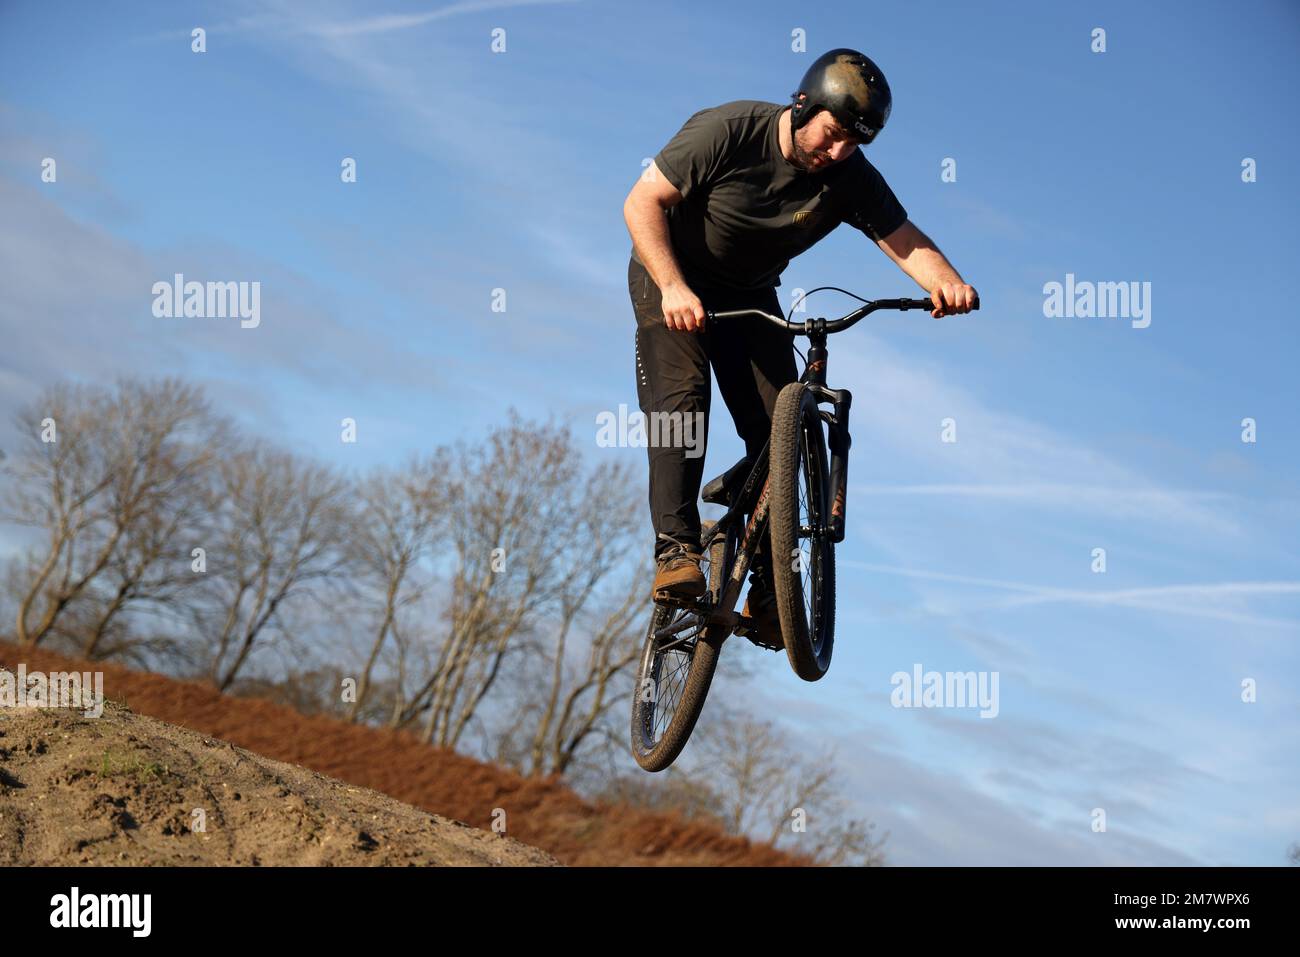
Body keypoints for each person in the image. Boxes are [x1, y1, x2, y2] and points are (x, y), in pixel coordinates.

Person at [622, 48, 978, 643]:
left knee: (777, 426)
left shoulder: (849, 176)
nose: (837, 152)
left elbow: (904, 239)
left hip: (751, 295)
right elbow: (642, 202)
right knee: (683, 404)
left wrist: (948, 282)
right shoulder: (729, 130)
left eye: (852, 144)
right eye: (833, 135)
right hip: (671, 276)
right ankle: (676, 551)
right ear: (803, 106)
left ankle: (768, 587)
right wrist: (674, 286)